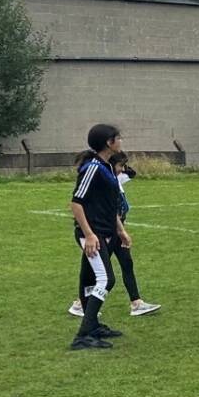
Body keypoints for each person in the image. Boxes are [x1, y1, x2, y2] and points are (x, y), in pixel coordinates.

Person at [68, 150, 161, 319]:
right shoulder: (101, 179)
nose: (123, 169)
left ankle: (136, 302)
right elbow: (78, 203)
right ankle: (82, 306)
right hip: (103, 232)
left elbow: (130, 174)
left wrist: (121, 230)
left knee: (126, 263)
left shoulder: (114, 178)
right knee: (101, 276)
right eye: (120, 165)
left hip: (114, 230)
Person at [67, 124, 133, 350]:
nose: (121, 140)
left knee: (88, 280)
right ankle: (84, 334)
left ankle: (93, 325)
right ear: (109, 143)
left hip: (105, 232)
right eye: (118, 138)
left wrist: (120, 230)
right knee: (106, 280)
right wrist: (89, 234)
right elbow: (76, 203)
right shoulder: (93, 168)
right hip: (92, 235)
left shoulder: (107, 166)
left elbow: (109, 204)